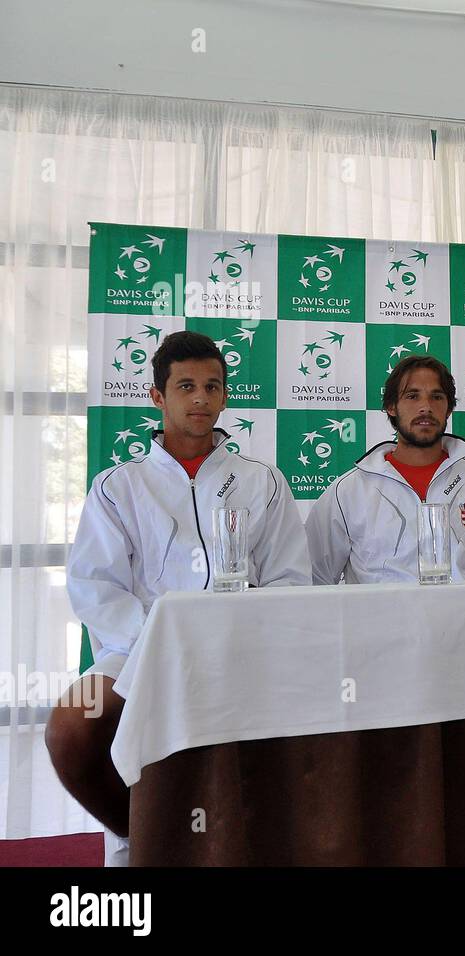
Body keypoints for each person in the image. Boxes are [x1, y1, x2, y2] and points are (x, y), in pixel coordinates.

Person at [49, 331, 310, 865]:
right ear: (157, 396)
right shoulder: (118, 487)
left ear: (225, 396)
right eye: (186, 385)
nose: (200, 399)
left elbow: (291, 581)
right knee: (72, 725)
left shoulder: (261, 481)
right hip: (139, 655)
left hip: (244, 652)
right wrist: (162, 640)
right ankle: (144, 839)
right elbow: (95, 587)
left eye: (212, 386)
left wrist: (240, 633)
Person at [306, 354, 465, 583]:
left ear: (448, 409)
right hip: (379, 618)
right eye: (412, 396)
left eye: (436, 397)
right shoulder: (348, 491)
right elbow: (313, 580)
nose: (426, 407)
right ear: (391, 407)